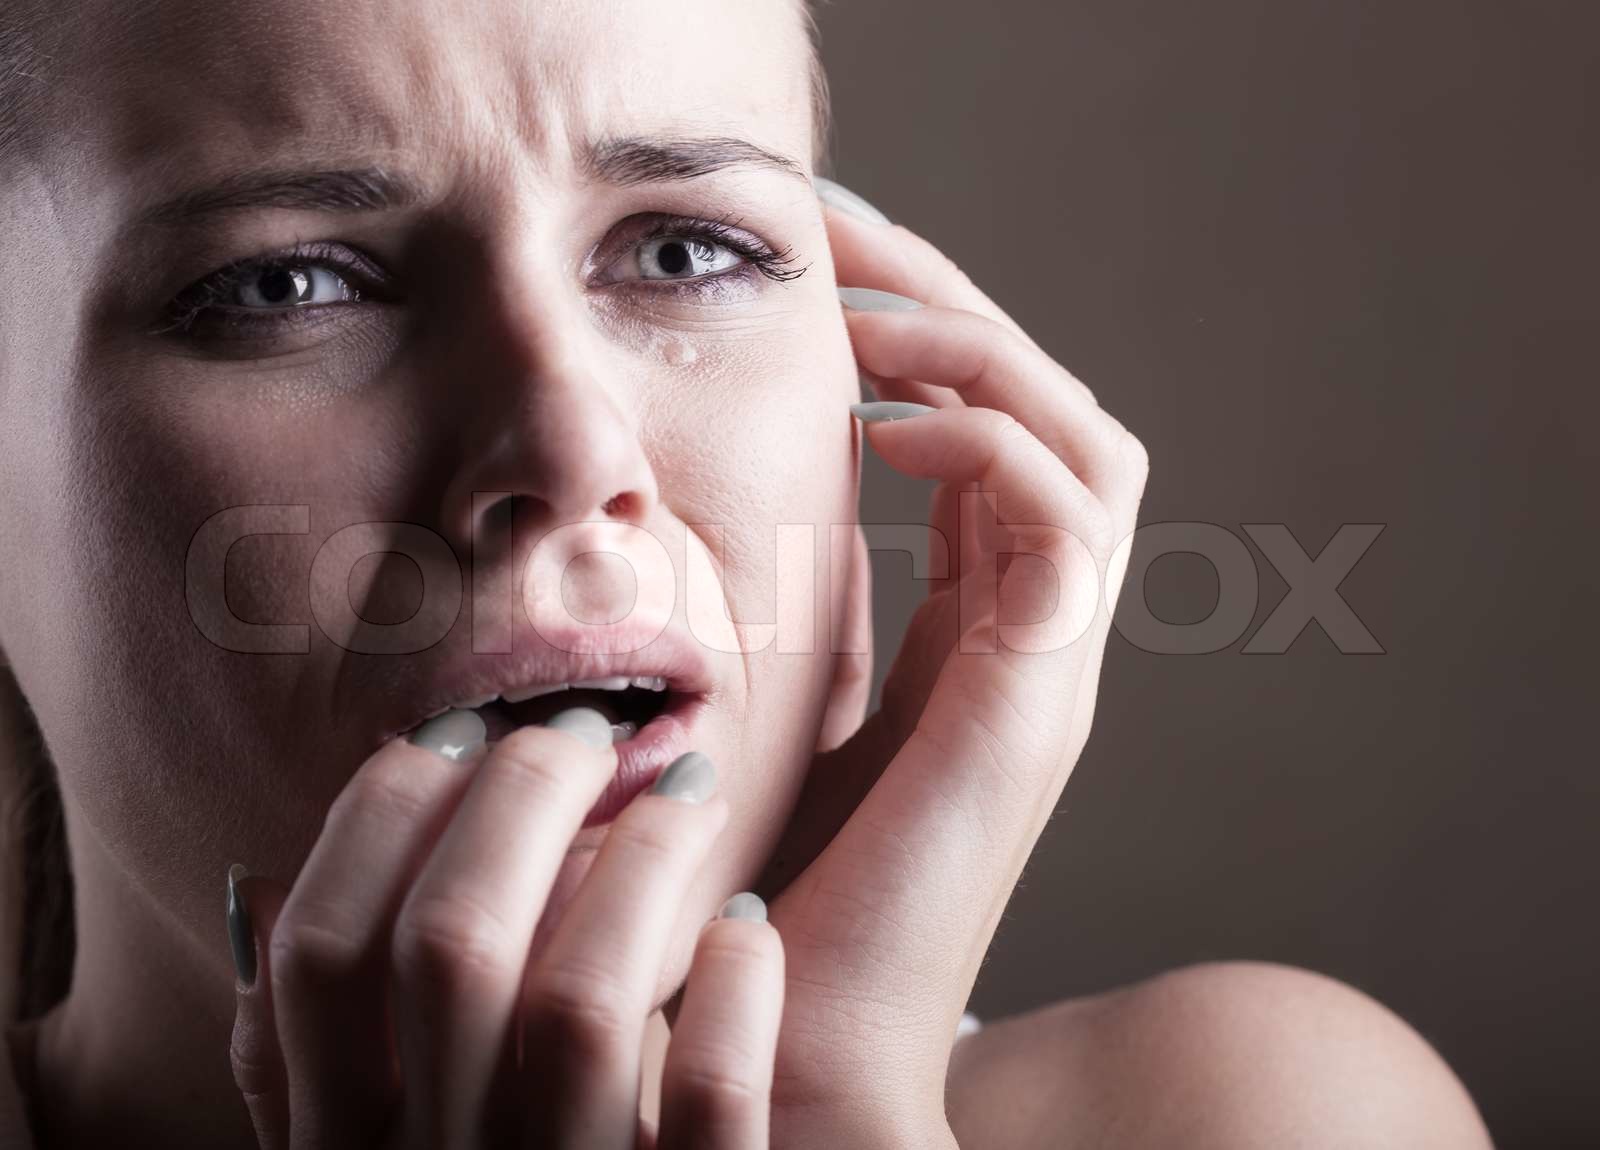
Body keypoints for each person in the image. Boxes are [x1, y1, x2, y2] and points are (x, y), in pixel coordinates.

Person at [0, 1, 1493, 1146]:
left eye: (686, 252)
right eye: (287, 283)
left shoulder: (1261, 1112)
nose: (568, 445)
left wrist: (839, 1105)